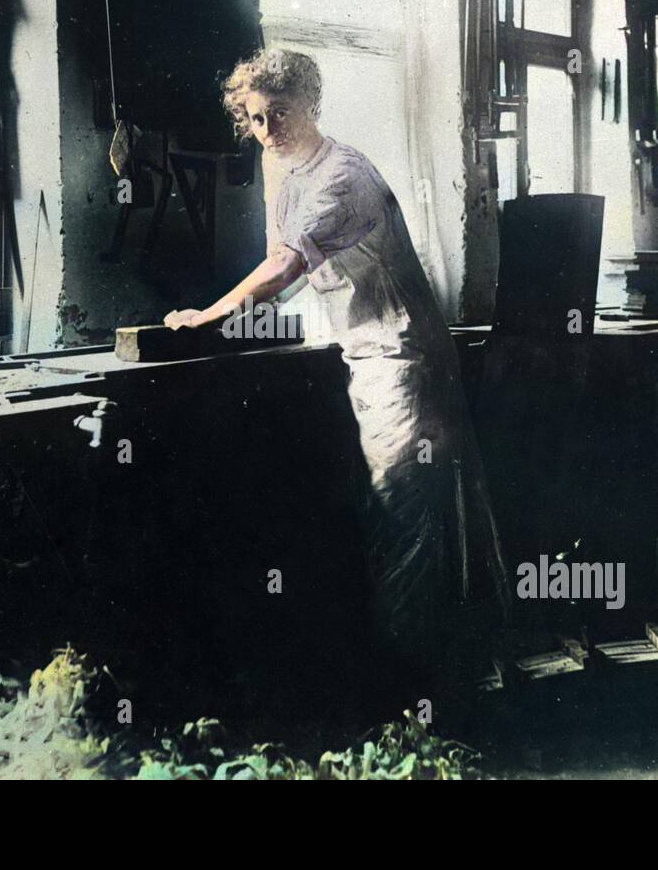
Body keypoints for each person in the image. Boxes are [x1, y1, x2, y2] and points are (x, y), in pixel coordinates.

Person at [166, 49, 511, 706]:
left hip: (404, 357)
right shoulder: (282, 167)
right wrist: (231, 319)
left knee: (405, 507)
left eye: (280, 116)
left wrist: (209, 313)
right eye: (256, 119)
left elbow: (288, 267)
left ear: (309, 106)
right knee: (384, 511)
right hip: (360, 352)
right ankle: (413, 675)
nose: (267, 132)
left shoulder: (345, 176)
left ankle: (426, 687)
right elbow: (277, 253)